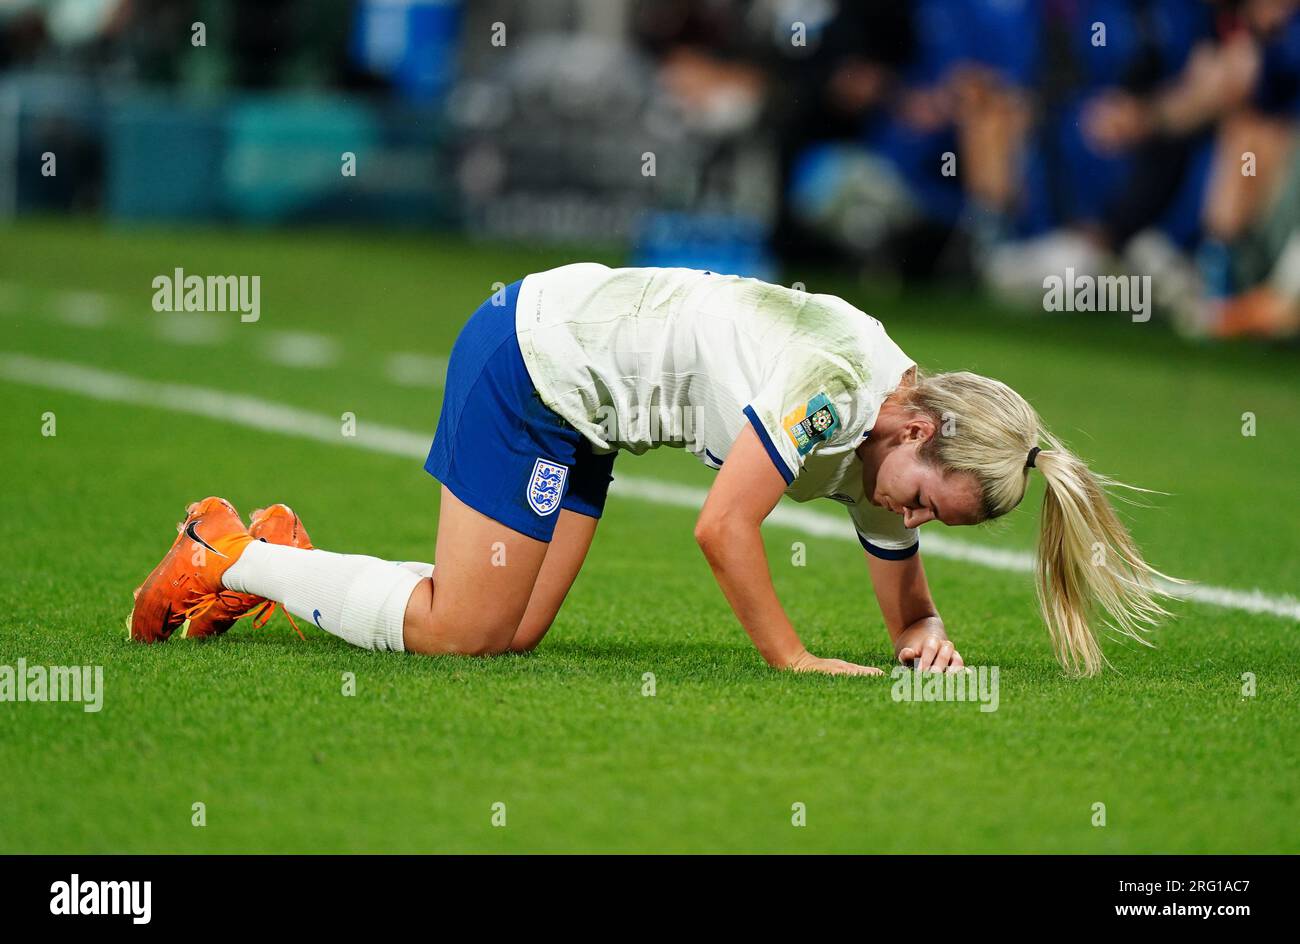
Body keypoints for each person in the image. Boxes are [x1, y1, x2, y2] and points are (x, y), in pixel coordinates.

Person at [130, 265, 1178, 676]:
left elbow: (904, 596)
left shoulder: (894, 439)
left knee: (512, 631)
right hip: (533, 366)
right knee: (464, 631)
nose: (909, 517)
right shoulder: (830, 388)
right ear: (914, 421)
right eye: (920, 498)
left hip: (593, 415)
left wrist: (923, 634)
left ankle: (279, 552)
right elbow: (721, 527)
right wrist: (793, 656)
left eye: (932, 519)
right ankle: (231, 551)